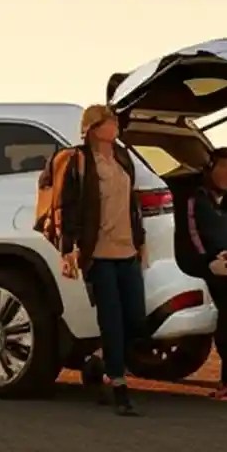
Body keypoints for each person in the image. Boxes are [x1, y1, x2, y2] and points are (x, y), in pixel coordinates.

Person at [59, 104, 148, 416]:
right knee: (111, 321)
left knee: (136, 318)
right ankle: (119, 385)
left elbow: (132, 202)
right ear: (95, 128)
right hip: (98, 254)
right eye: (110, 122)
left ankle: (97, 361)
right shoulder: (80, 161)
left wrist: (140, 240)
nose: (116, 127)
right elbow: (68, 208)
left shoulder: (123, 157)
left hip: (127, 251)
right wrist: (67, 249)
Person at [177, 147, 227, 400]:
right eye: (225, 167)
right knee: (223, 327)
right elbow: (190, 234)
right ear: (211, 167)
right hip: (206, 268)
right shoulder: (194, 197)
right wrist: (209, 261)